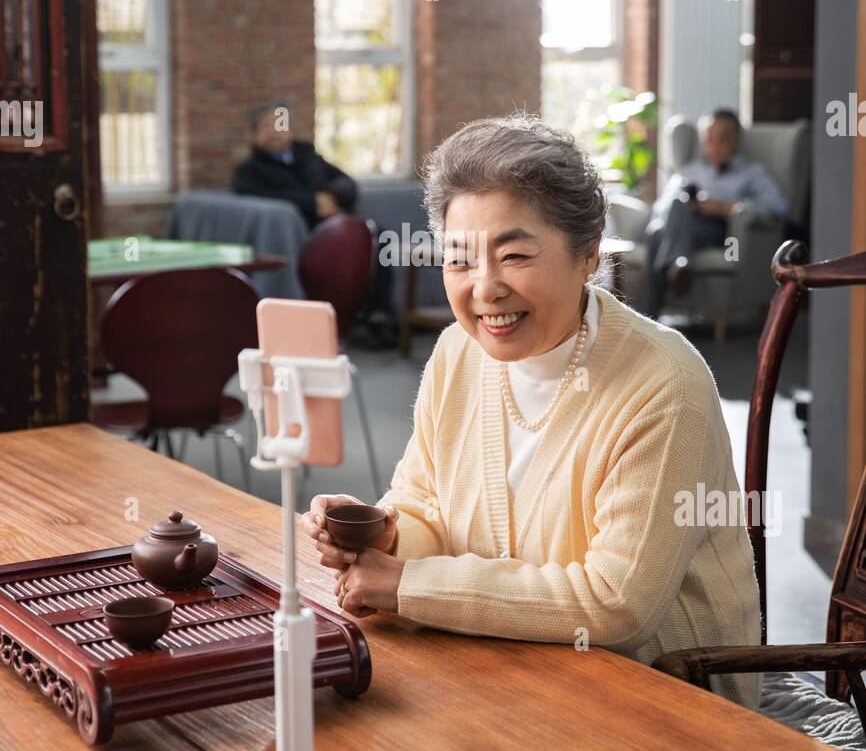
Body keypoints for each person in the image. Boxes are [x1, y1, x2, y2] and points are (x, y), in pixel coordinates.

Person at [300, 111, 763, 711]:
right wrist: (389, 538)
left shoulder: (663, 385)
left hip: (667, 696)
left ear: (589, 254)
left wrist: (410, 584)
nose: (484, 288)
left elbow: (617, 605)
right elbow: (427, 505)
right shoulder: (457, 353)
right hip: (508, 668)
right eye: (461, 259)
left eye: (514, 256)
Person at [640, 108, 788, 320]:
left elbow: (779, 208)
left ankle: (647, 318)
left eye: (722, 139)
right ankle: (678, 264)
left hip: (724, 236)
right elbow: (660, 208)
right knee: (667, 215)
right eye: (709, 140)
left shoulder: (753, 173)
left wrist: (726, 208)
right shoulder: (689, 172)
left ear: (736, 141)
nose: (715, 146)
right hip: (685, 226)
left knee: (656, 235)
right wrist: (690, 206)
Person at [231, 99, 358, 229]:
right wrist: (312, 202)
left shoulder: (308, 155)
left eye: (280, 124)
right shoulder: (249, 171)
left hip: (339, 223)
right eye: (265, 126)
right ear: (254, 135)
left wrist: (330, 197)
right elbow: (261, 199)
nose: (274, 132)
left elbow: (346, 182)